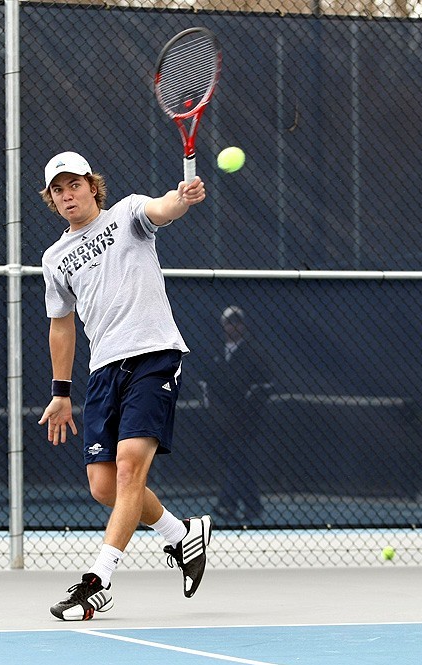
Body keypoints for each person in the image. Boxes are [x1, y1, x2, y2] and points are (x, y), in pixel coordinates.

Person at [37, 151, 212, 621]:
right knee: (103, 486)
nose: (67, 195)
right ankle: (181, 534)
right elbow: (61, 325)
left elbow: (163, 208)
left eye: (75, 185)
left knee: (130, 467)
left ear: (92, 187)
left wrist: (181, 197)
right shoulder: (54, 258)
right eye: (58, 190)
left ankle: (97, 582)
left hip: (153, 356)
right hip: (103, 372)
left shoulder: (128, 214)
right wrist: (60, 392)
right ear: (52, 199)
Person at [207, 305, 272, 522]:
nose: (233, 326)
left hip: (245, 421)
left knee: (237, 460)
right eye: (229, 322)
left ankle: (228, 503)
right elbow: (211, 386)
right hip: (222, 420)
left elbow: (263, 386)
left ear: (243, 325)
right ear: (223, 325)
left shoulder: (254, 353)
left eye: (237, 322)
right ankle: (246, 505)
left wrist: (246, 410)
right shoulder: (216, 353)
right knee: (237, 462)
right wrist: (218, 413)